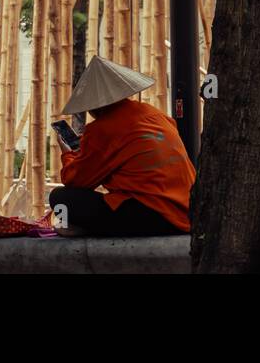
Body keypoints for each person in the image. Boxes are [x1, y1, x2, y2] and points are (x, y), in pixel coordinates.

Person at [49, 56, 195, 237]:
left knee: (60, 198)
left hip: (155, 217)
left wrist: (68, 155)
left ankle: (86, 229)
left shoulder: (101, 130)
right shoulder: (154, 114)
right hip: (189, 211)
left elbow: (76, 181)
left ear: (91, 107)